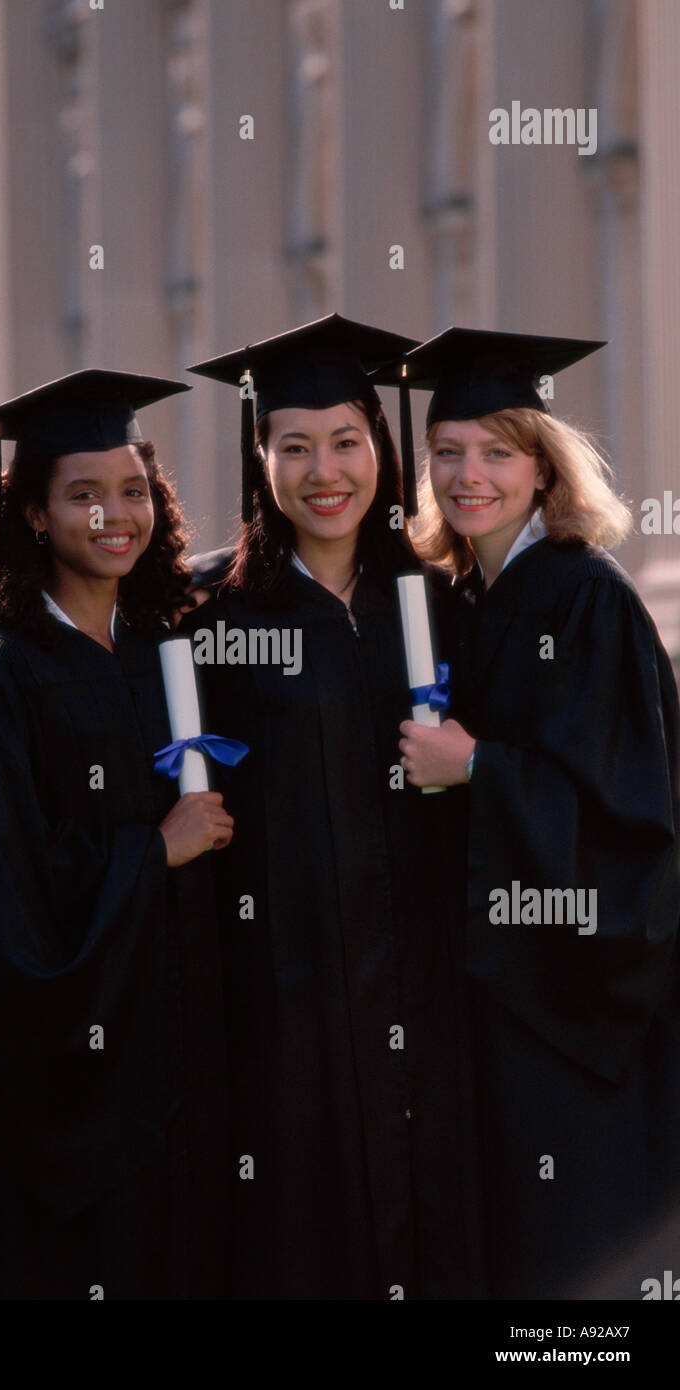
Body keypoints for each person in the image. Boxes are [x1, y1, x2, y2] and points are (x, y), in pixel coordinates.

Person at [0, 370, 235, 1300]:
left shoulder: (163, 648)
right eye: (83, 494)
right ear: (34, 514)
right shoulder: (4, 678)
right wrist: (155, 848)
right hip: (50, 1053)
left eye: (133, 491)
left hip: (162, 1031)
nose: (115, 514)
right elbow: (6, 893)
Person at [184, 314, 485, 1300]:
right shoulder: (205, 616)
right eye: (296, 445)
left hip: (429, 989)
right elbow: (84, 700)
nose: (327, 470)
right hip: (281, 999)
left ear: (382, 449)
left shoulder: (444, 597)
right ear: (258, 456)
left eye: (348, 440)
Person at [384, 327, 680, 1299]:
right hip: (487, 999)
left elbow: (635, 818)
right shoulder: (463, 595)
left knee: (572, 1242)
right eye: (448, 454)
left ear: (544, 468)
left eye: (498, 452)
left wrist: (482, 767)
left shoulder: (584, 597)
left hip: (573, 1007)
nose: (470, 475)